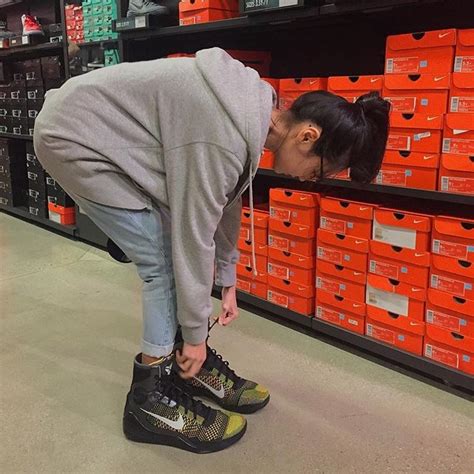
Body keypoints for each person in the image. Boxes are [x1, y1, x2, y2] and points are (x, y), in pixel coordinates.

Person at [33, 48, 390, 454]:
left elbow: (226, 200)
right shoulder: (223, 135)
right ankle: (149, 403)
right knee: (162, 263)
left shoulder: (249, 114)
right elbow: (194, 234)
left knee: (175, 254)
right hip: (73, 137)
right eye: (320, 172)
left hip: (106, 134)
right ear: (307, 136)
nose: (311, 180)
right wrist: (194, 336)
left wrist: (228, 278)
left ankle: (186, 368)